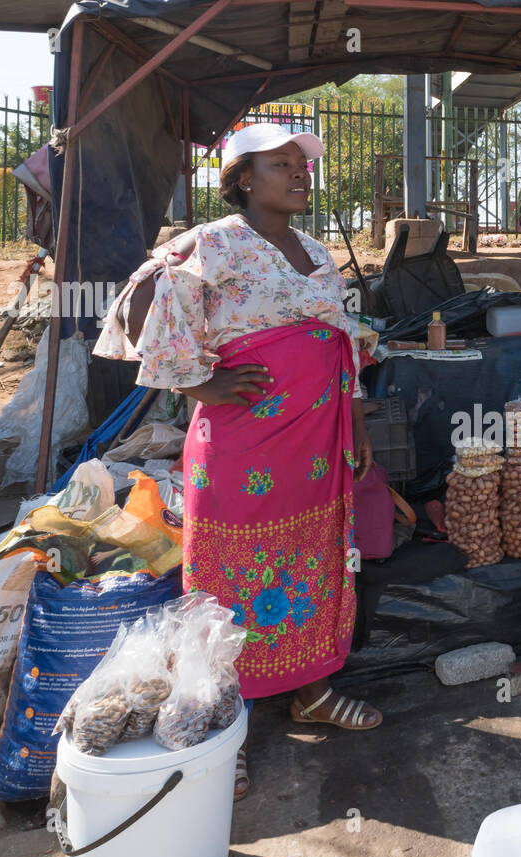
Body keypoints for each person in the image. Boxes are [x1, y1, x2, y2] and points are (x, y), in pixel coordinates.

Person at [95, 123, 384, 800]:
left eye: (302, 165)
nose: (299, 173)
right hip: (242, 447)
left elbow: (343, 341)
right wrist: (196, 384)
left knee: (311, 562)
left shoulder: (316, 253)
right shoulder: (216, 242)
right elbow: (140, 300)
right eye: (281, 165)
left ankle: (312, 689)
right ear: (244, 179)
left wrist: (358, 420)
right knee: (227, 586)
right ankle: (227, 726)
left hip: (318, 449)